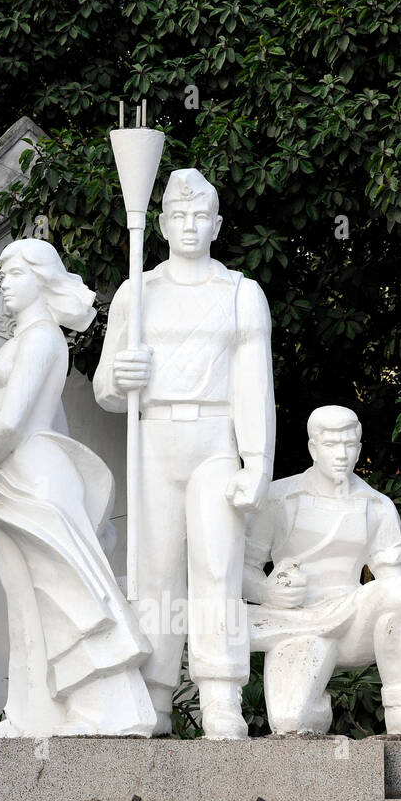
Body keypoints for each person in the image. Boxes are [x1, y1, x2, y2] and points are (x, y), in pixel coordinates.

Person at [93, 168, 276, 738]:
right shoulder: (136, 291)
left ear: (217, 225)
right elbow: (104, 390)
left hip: (215, 440)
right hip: (154, 439)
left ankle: (221, 695)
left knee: (218, 566)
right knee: (155, 575)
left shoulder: (241, 294)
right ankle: (154, 696)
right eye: (179, 216)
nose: (191, 226)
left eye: (201, 217)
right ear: (163, 225)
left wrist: (258, 461)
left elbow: (254, 384)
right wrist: (123, 377)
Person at [0, 237, 155, 738]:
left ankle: (103, 709)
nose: (3, 284)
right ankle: (29, 714)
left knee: (63, 594)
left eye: (14, 274)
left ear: (42, 280)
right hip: (17, 478)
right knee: (25, 600)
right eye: (2, 275)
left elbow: (10, 424)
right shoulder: (27, 340)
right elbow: (55, 423)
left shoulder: (43, 340)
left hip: (29, 475)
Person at [244, 404, 401, 735]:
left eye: (350, 445)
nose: (342, 454)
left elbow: (397, 588)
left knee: (398, 593)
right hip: (296, 621)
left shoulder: (377, 506)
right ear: (314, 447)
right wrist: (267, 591)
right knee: (290, 723)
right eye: (331, 445)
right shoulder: (278, 498)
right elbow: (243, 571)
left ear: (358, 447)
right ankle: (315, 706)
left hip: (354, 619)